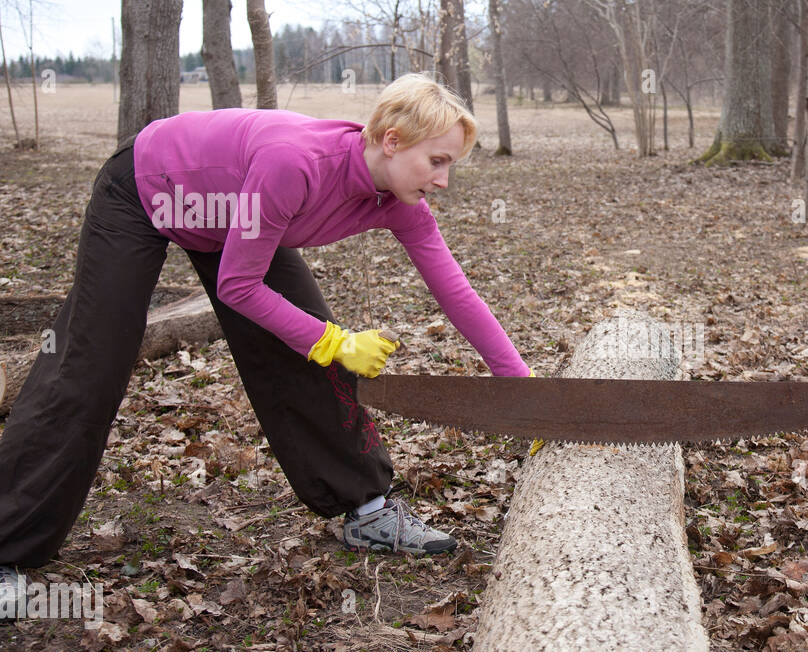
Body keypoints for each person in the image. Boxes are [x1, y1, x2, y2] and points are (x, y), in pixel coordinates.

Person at [0, 74, 530, 614]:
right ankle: (5, 544)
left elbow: (455, 291)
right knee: (92, 361)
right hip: (149, 189)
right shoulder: (296, 164)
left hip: (238, 215)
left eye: (451, 165)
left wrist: (523, 391)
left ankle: (368, 512)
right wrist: (333, 340)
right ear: (392, 141)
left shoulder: (396, 199)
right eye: (437, 161)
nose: (443, 180)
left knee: (301, 348)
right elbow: (237, 286)